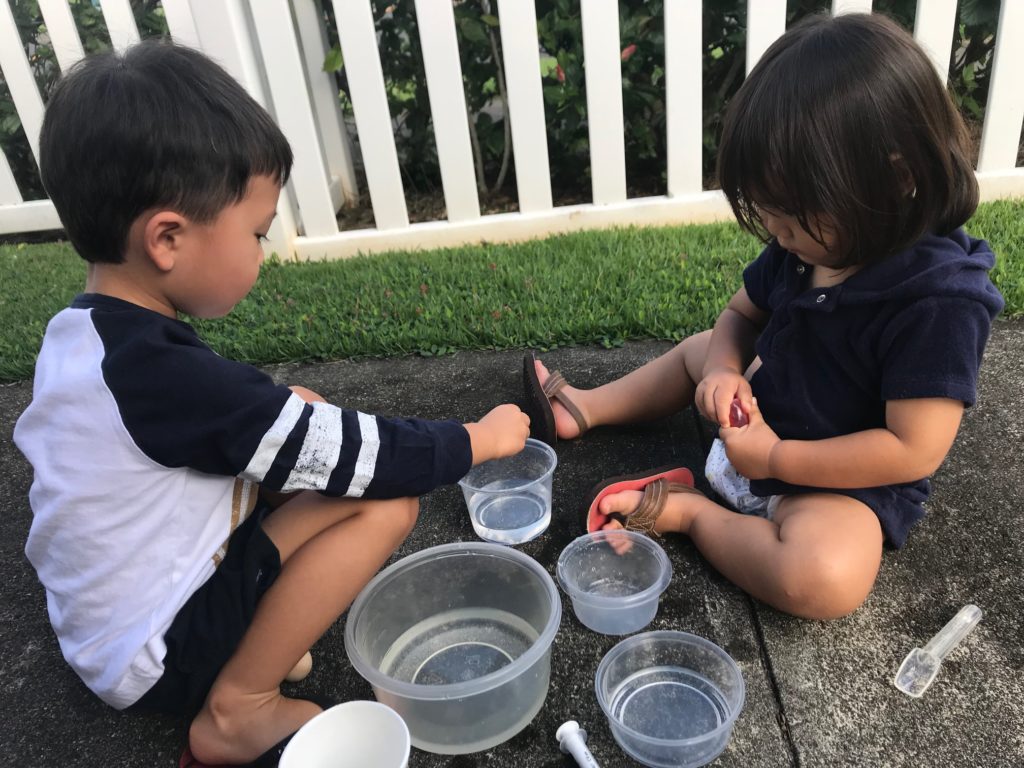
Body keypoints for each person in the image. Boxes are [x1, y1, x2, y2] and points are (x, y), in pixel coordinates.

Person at [13, 41, 530, 766]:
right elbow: (362, 457)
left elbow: (275, 431)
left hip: (105, 627)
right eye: (255, 232)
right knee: (385, 503)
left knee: (296, 410)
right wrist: (478, 439)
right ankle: (238, 705)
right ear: (167, 238)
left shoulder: (84, 335)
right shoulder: (170, 380)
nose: (263, 251)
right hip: (158, 651)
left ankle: (254, 638)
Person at [525, 12, 1003, 621]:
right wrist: (725, 371)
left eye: (791, 214)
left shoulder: (939, 300)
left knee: (824, 577)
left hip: (830, 479)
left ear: (895, 176)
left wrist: (777, 460)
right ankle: (587, 407)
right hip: (756, 414)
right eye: (766, 211)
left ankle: (691, 511)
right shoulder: (809, 245)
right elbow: (739, 315)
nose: (776, 231)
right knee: (701, 349)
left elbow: (911, 449)